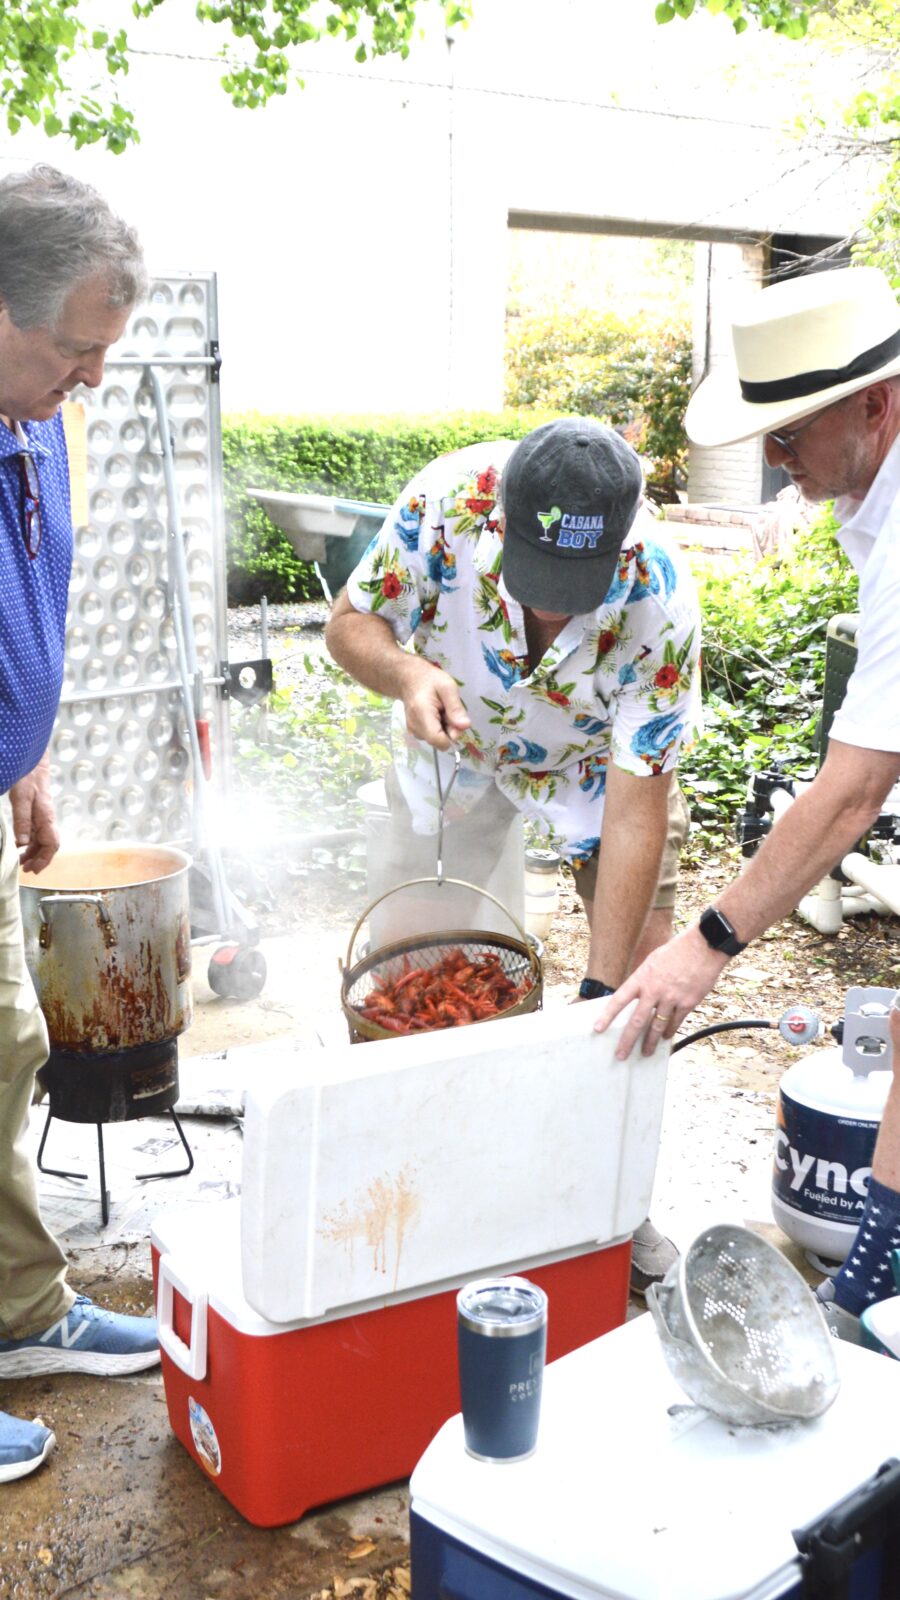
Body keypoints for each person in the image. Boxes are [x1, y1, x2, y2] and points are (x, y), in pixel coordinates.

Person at [325, 417, 702, 1295]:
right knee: (409, 963)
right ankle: (417, 1169)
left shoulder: (660, 596)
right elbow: (350, 626)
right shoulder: (445, 503)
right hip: (453, 741)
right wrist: (411, 676)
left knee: (641, 988)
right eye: (538, 584)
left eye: (578, 587)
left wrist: (603, 995)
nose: (554, 610)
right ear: (502, 519)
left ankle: (612, 1205)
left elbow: (638, 804)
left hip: (591, 767)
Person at [594, 264, 900, 1332]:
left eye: (788, 434)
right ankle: (877, 1279)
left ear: (875, 402)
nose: (775, 464)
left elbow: (855, 786)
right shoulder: (878, 498)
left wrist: (707, 940)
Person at [0, 166, 157, 1486]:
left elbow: (28, 582)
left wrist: (28, 758)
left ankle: (19, 1315)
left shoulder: (40, 413)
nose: (91, 379)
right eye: (74, 350)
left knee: (4, 1048)